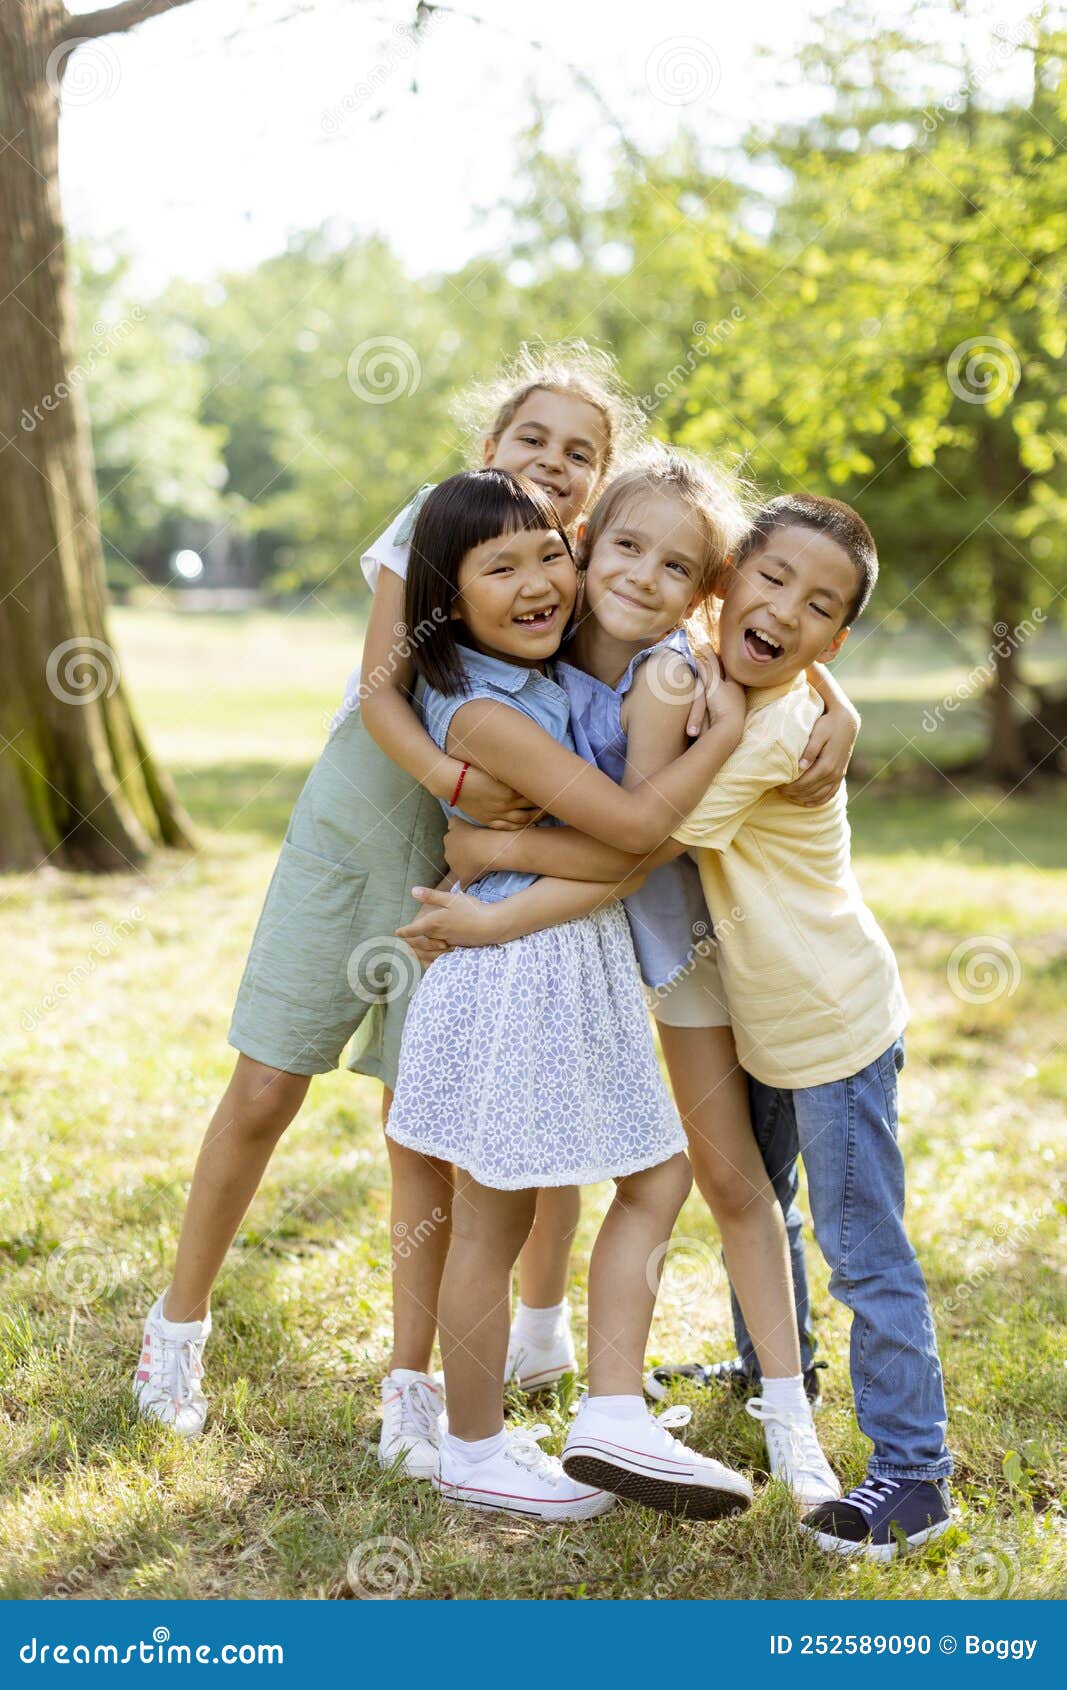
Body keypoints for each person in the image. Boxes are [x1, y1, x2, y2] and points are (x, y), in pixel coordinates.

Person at [132, 342, 644, 1464]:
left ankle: (411, 1382)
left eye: (580, 452)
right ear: (487, 447)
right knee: (268, 1080)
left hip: (477, 875)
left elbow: (684, 618)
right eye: (531, 438)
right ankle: (176, 1330)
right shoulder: (438, 519)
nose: (552, 462)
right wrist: (457, 782)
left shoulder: (582, 568)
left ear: (599, 482)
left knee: (423, 1124)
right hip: (367, 825)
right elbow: (380, 691)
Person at [423, 493, 952, 1559]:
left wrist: (490, 866)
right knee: (753, 1194)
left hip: (818, 1014)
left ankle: (911, 1468)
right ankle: (772, 1373)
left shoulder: (741, 714)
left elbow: (637, 844)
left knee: (853, 1244)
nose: (784, 609)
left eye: (817, 608)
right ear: (726, 586)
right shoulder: (651, 661)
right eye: (769, 581)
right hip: (731, 989)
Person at [386, 466, 757, 1521]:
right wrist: (725, 738)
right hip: (519, 968)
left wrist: (499, 847)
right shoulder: (484, 711)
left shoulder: (542, 674)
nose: (536, 582)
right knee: (496, 1218)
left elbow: (621, 845)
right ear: (448, 598)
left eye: (547, 554)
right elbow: (633, 834)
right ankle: (474, 1448)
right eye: (499, 568)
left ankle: (604, 1409)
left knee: (646, 1175)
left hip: (550, 957)